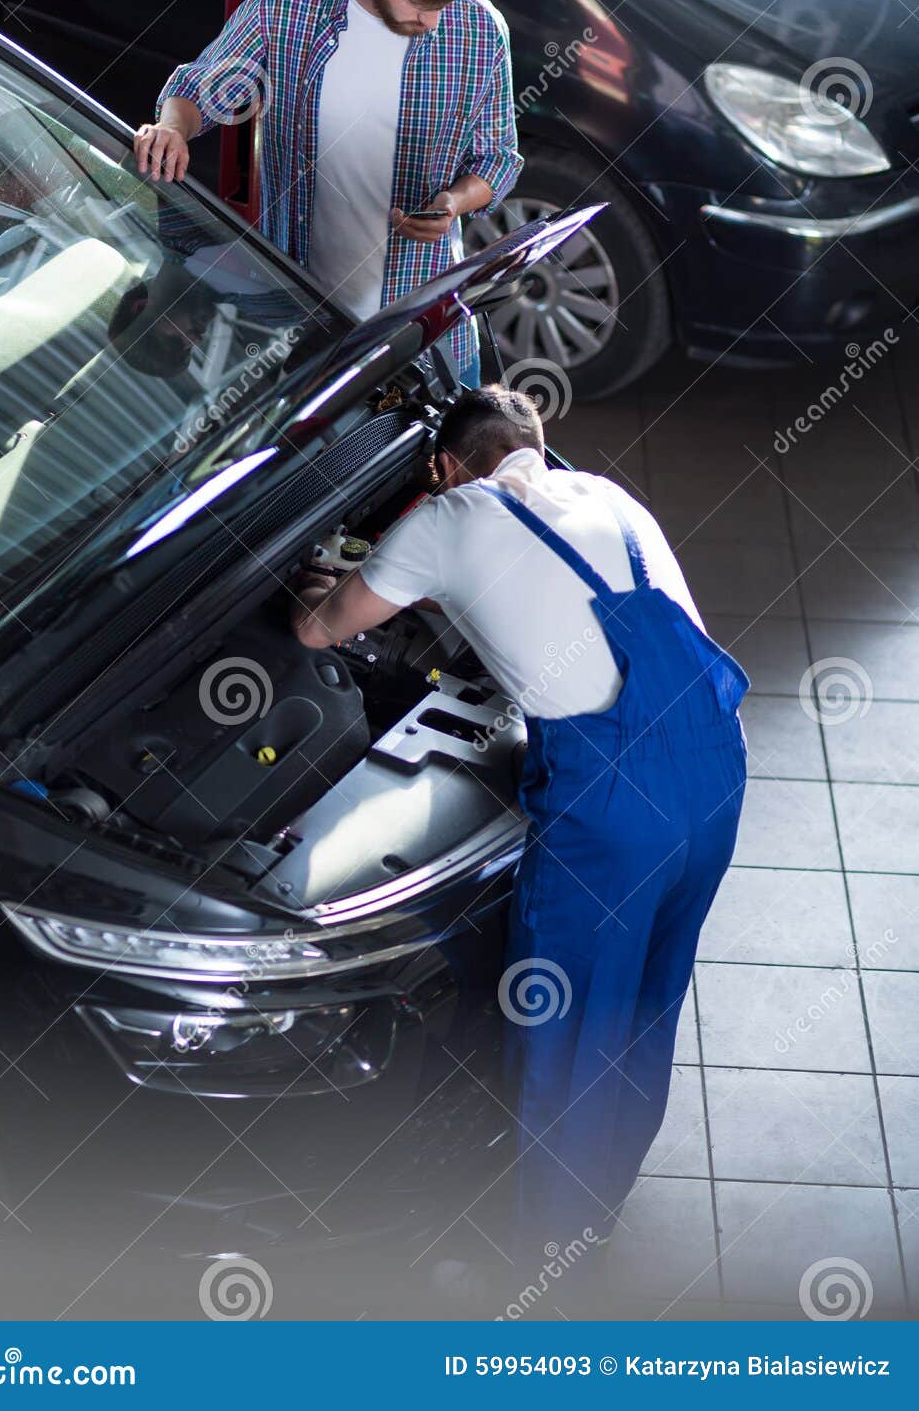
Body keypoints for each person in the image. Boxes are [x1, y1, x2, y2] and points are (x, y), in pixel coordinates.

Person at [289, 386, 748, 1259]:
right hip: (713, 769)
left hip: (612, 809)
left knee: (566, 1024)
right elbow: (536, 589)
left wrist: (324, 587)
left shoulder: (448, 513)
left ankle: (548, 1248)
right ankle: (602, 1197)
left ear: (443, 469)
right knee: (642, 1004)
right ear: (537, 444)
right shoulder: (607, 496)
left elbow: (320, 630)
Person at [133, 0, 522, 386]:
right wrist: (172, 128)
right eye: (419, 4)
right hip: (303, 326)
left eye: (445, 2)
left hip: (424, 328)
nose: (434, 21)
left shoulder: (482, 31)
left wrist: (453, 201)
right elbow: (202, 88)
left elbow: (498, 159)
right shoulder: (286, 4)